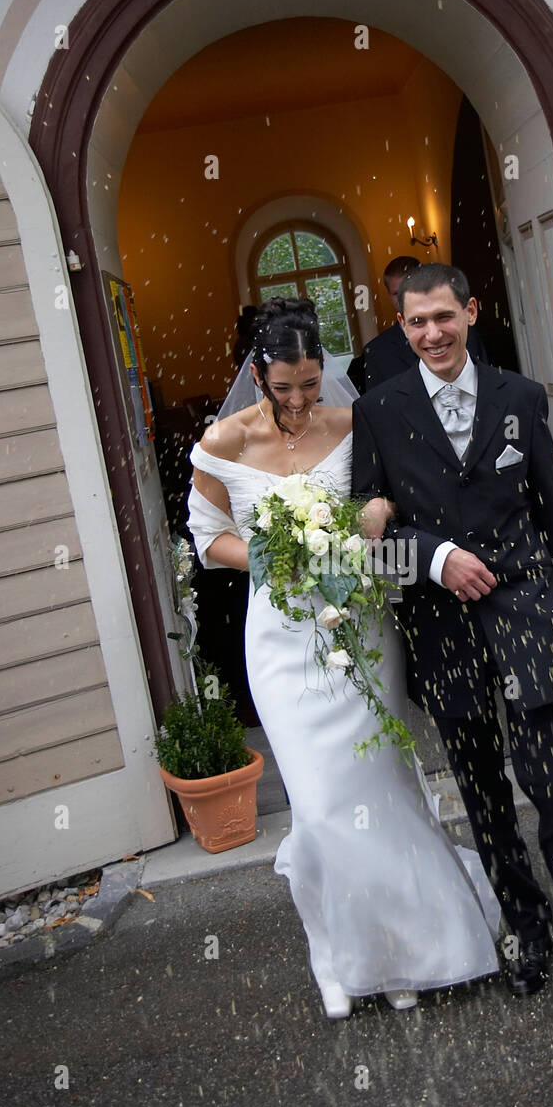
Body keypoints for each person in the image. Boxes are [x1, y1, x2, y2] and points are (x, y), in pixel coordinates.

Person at [185, 297, 502, 1020]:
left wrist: (367, 522)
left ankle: (411, 949)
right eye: (284, 386)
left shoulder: (353, 421)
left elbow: (387, 494)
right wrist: (274, 555)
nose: (299, 400)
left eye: (310, 382)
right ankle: (343, 956)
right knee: (323, 807)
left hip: (360, 627)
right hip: (282, 638)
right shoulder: (223, 442)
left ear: (324, 370)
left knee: (378, 787)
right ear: (258, 375)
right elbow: (210, 539)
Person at [350, 263, 553, 1024]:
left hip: (527, 609)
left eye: (443, 317)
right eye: (416, 323)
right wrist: (435, 556)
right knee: (484, 793)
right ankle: (527, 931)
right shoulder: (378, 411)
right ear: (400, 328)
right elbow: (367, 531)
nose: (432, 333)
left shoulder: (521, 398)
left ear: (469, 312)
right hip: (441, 629)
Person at [347, 256, 487, 392]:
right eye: (396, 294)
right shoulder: (376, 351)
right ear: (389, 295)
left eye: (410, 290)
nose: (404, 299)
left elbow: (485, 384)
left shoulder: (464, 333)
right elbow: (379, 407)